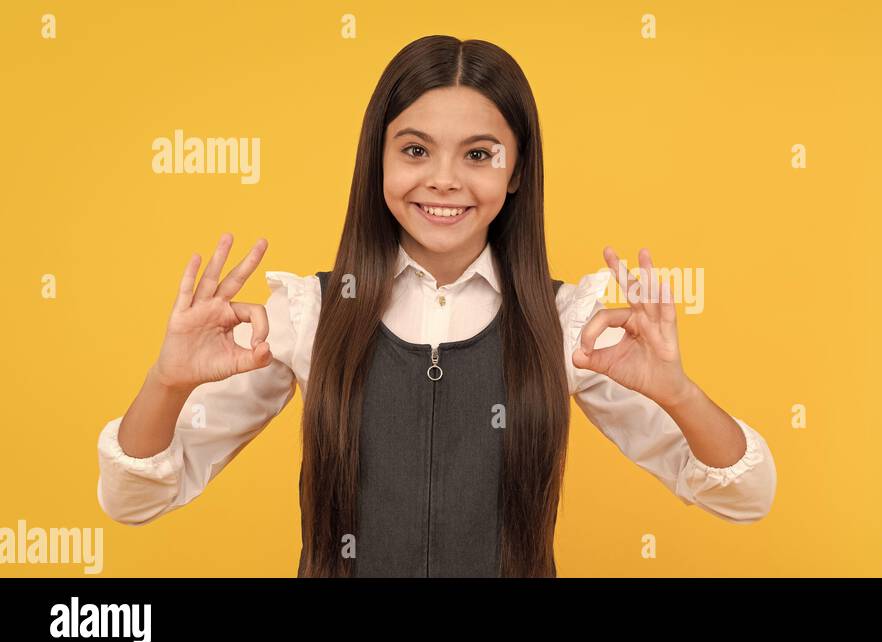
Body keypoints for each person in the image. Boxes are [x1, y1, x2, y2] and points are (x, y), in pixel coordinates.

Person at [97, 35, 776, 577]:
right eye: (415, 149)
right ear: (379, 162)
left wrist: (678, 393)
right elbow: (135, 499)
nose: (444, 179)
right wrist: (168, 381)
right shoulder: (309, 313)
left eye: (479, 153)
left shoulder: (567, 324)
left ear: (515, 172)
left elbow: (747, 497)